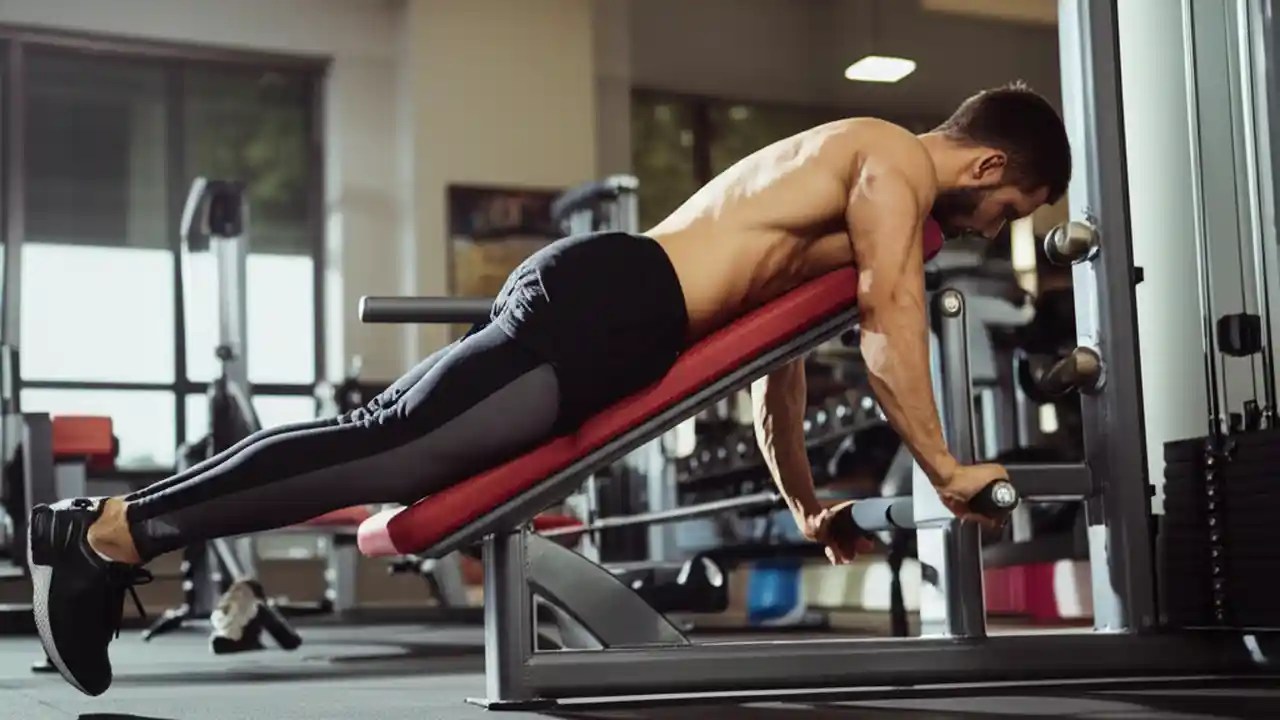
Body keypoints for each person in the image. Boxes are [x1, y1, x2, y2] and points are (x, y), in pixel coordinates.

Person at [30, 81, 1070, 696]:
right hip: (613, 311)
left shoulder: (841, 170)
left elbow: (772, 376)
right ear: (982, 168)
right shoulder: (887, 163)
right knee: (384, 451)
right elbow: (892, 322)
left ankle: (113, 527)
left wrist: (804, 502)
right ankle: (113, 534)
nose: (989, 230)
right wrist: (943, 468)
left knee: (375, 435)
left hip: (602, 293)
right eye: (1008, 207)